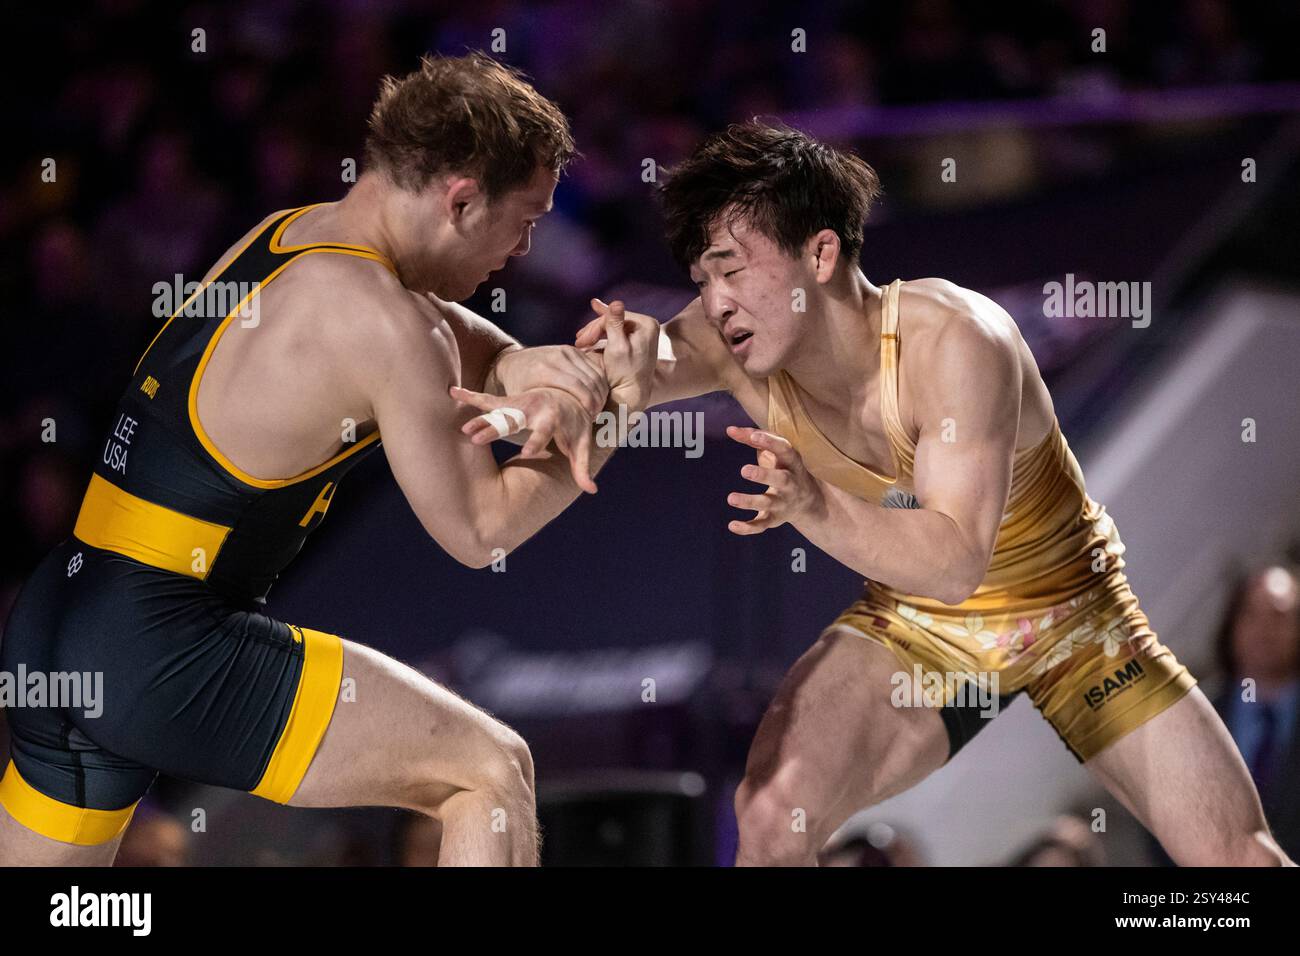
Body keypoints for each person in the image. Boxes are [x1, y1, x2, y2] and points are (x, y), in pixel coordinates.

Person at [573, 121, 1291, 866]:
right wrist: (558, 391)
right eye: (701, 280)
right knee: (772, 812)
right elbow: (618, 367)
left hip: (1073, 622)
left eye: (730, 268)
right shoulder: (731, 339)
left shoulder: (957, 337)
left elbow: (955, 563)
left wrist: (813, 504)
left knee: (1239, 863)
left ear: (820, 253)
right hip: (922, 629)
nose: (715, 302)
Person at [0, 52, 657, 866]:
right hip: (164, 643)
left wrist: (540, 376)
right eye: (522, 220)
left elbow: (471, 348)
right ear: (459, 200)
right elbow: (480, 530)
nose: (523, 249)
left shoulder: (285, 235)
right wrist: (619, 410)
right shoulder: (383, 323)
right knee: (487, 773)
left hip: (58, 619)